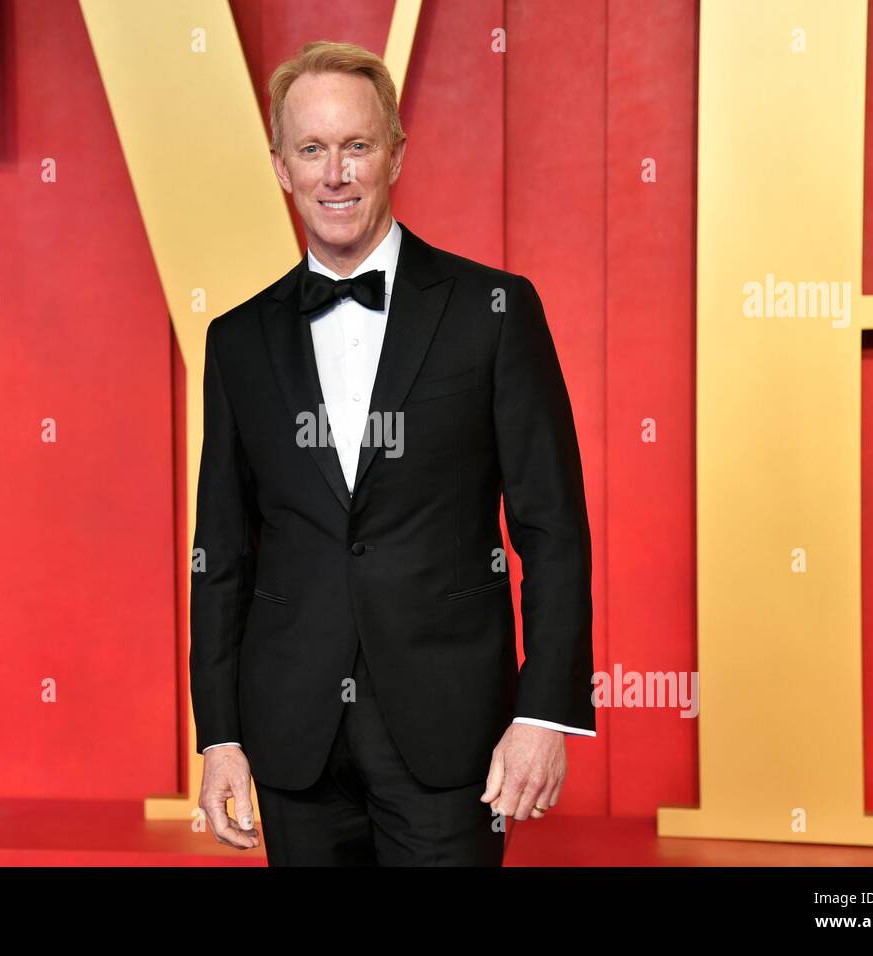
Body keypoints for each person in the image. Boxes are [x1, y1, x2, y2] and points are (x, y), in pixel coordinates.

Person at [190, 40, 594, 866]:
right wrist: (219, 735)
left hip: (451, 731)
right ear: (281, 167)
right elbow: (221, 553)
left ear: (396, 155)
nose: (335, 174)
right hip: (293, 738)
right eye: (311, 149)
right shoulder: (236, 341)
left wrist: (544, 712)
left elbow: (552, 528)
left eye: (357, 146)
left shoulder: (494, 311)